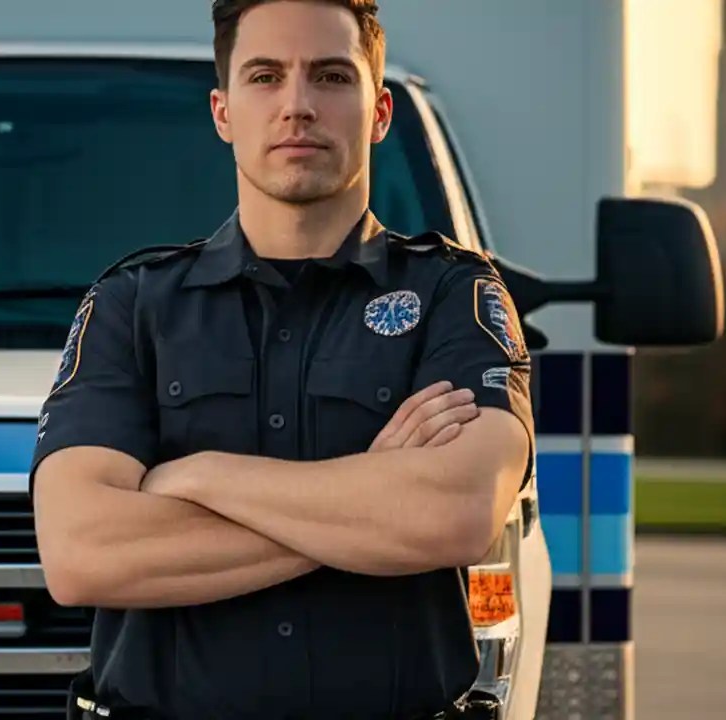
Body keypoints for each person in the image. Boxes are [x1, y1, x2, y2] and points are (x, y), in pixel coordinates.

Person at [30, 1, 535, 717]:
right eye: (266, 76)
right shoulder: (131, 304)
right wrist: (374, 503)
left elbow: (457, 513)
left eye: (331, 76)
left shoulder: (456, 294)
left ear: (379, 110)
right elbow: (82, 554)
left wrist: (198, 476)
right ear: (223, 112)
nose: (297, 106)